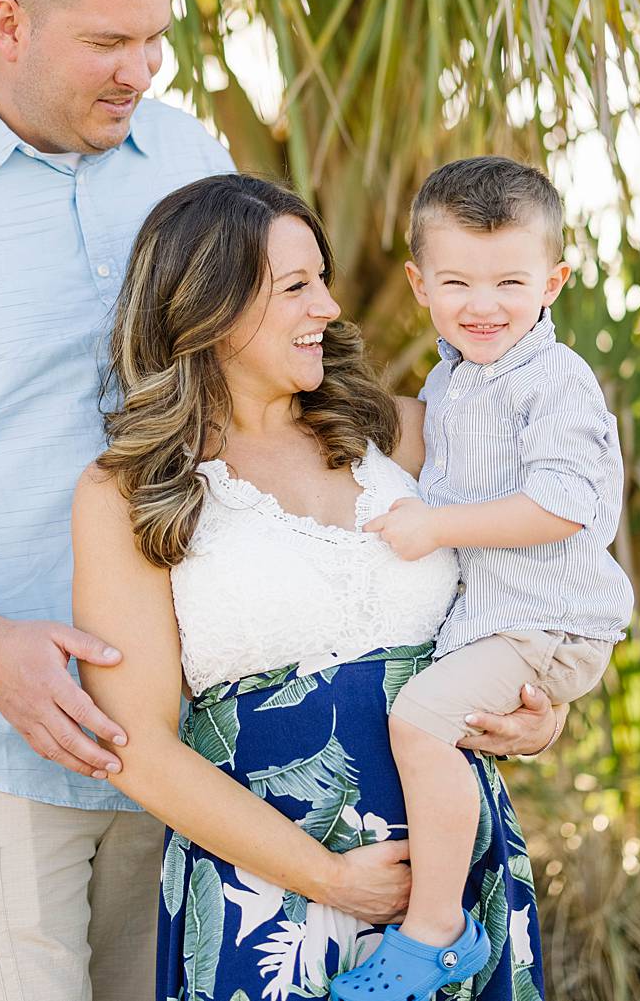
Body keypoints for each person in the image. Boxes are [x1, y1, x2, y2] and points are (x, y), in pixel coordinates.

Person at [0, 0, 556, 999]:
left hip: (209, 749)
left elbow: (277, 390)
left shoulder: (186, 154)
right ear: (9, 24)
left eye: (155, 40)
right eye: (108, 42)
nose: (141, 72)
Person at [72, 174, 549, 1001]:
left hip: (453, 886)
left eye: (320, 279)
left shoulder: (404, 435)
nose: (328, 306)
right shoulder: (132, 490)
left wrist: (543, 712)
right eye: (297, 286)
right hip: (271, 898)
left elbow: (535, 586)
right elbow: (136, 746)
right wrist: (330, 877)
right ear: (209, 308)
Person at [331, 156, 635, 1000]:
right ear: (418, 283)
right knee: (433, 721)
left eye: (511, 280)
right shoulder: (452, 379)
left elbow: (566, 503)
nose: (484, 303)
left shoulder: (554, 376)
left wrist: (435, 527)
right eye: (458, 279)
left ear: (554, 280)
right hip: (505, 624)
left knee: (422, 718)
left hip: (549, 622)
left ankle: (437, 930)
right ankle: (442, 920)